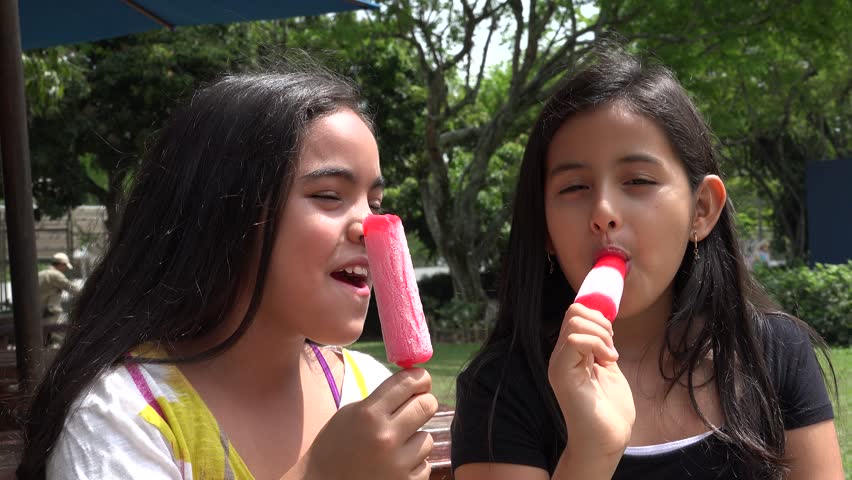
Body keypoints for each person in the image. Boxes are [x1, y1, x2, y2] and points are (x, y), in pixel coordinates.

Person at [18, 63, 438, 480]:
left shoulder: (369, 390)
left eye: (376, 203)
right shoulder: (121, 417)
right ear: (224, 213)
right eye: (329, 196)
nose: (370, 227)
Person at [450, 44, 842, 480]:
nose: (603, 211)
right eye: (574, 188)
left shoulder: (773, 354)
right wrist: (590, 451)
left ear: (702, 210)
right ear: (544, 227)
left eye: (637, 180)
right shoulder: (502, 389)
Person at [37, 252, 81, 346]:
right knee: (66, 338)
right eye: (65, 266)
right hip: (51, 315)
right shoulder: (55, 275)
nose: (65, 269)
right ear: (61, 264)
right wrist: (87, 294)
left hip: (39, 314)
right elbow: (71, 288)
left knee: (45, 341)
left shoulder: (40, 274)